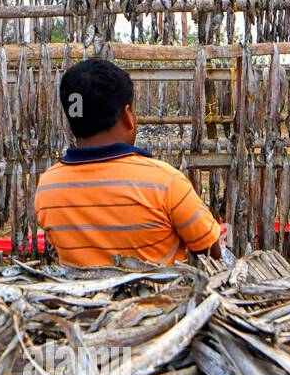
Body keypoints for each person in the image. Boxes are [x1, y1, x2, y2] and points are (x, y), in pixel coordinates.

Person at [35, 59, 224, 268]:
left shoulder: (48, 186)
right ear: (127, 115)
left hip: (83, 298)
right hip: (156, 298)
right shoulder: (165, 182)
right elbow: (211, 252)